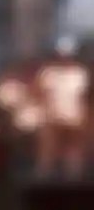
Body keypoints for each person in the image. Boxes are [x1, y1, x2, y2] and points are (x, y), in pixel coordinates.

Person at [35, 37, 89, 179]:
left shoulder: (80, 73)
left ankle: (74, 177)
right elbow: (42, 96)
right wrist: (47, 116)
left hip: (74, 118)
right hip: (53, 118)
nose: (65, 58)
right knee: (48, 149)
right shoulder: (49, 73)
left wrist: (83, 117)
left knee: (74, 149)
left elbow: (82, 98)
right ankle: (44, 177)